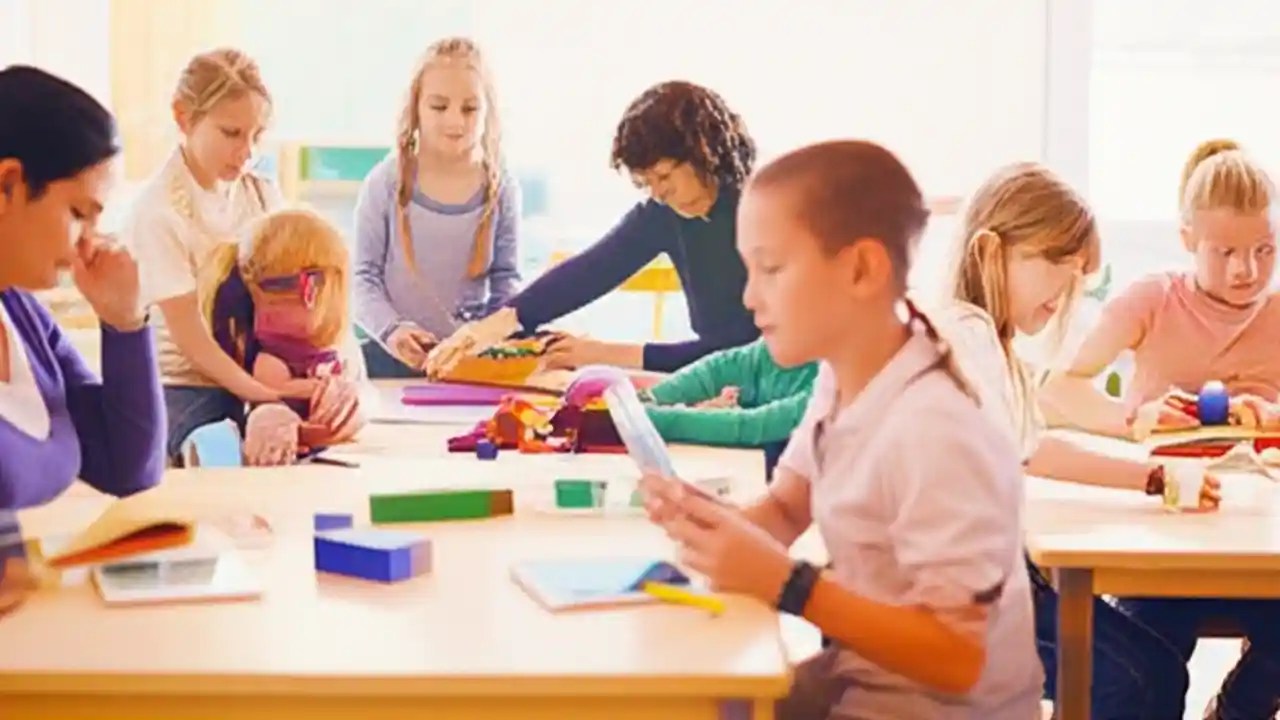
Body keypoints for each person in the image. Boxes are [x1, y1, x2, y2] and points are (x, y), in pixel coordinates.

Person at [642, 140, 1042, 718]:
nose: (749, 297)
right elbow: (784, 509)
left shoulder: (934, 431)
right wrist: (705, 523)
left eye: (771, 269)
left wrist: (789, 584)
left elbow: (959, 657)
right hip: (864, 682)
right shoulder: (841, 380)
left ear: (861, 269)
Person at [929, 161, 1225, 718]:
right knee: (1137, 680)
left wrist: (1154, 477)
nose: (1069, 284)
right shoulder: (962, 339)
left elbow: (1032, 448)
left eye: (1078, 270)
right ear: (992, 252)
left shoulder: (989, 346)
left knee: (1155, 671)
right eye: (1054, 261)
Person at [1042, 139, 1280, 719]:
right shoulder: (1153, 299)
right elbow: (1054, 390)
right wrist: (1134, 419)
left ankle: (1232, 713)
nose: (1245, 270)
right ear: (1187, 241)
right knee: (1148, 674)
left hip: (1261, 545)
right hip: (1164, 535)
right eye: (1224, 251)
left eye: (1264, 250)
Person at [425, 80, 759, 377]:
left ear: (704, 153)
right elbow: (590, 271)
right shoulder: (666, 213)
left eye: (664, 176)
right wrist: (491, 327)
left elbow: (743, 351)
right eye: (646, 183)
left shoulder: (763, 209)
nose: (658, 192)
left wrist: (603, 354)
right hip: (724, 384)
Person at [122, 48, 358, 463]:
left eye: (256, 135)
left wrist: (337, 380)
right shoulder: (156, 213)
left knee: (335, 424)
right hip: (188, 383)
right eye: (231, 133)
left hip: (263, 371)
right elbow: (193, 343)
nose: (246, 151)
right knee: (215, 447)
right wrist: (269, 397)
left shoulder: (262, 193)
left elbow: (318, 300)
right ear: (183, 117)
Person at [0, 66, 165, 610]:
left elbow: (126, 468)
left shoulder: (21, 316)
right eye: (77, 214)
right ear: (7, 186)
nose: (87, 243)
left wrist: (124, 322)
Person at [353, 37, 521, 378]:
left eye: (470, 108)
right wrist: (392, 330)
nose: (455, 121)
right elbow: (362, 278)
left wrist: (487, 338)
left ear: (488, 111)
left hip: (469, 366)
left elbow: (506, 281)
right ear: (415, 108)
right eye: (439, 107)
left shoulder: (501, 188)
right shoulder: (385, 182)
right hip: (388, 360)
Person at [205, 208, 366, 464]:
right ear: (310, 290)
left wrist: (343, 402)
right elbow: (269, 389)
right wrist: (312, 389)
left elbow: (357, 384)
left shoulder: (330, 347)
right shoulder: (272, 356)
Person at [639, 337, 816, 448]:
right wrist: (649, 398)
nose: (748, 298)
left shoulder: (834, 383)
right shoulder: (778, 345)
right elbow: (715, 372)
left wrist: (632, 416)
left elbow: (751, 426)